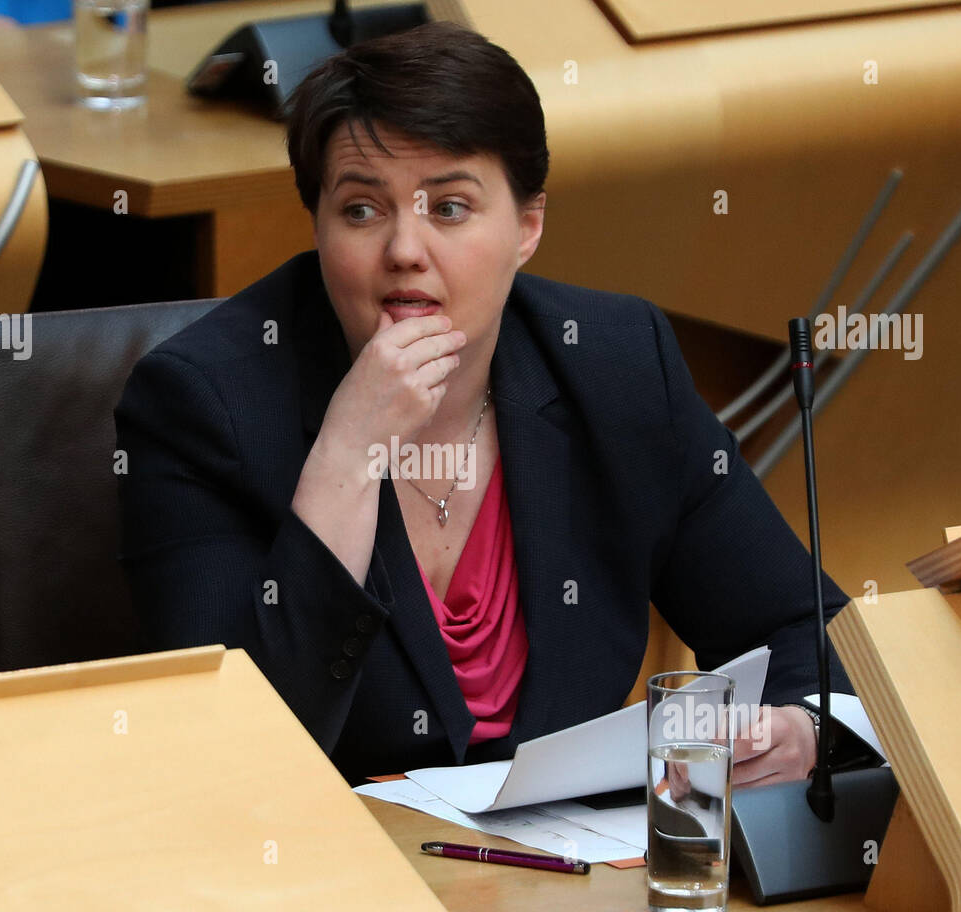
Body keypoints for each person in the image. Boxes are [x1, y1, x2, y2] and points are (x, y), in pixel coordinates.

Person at [115, 21, 867, 787]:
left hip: (577, 883)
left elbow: (807, 629)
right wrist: (347, 453)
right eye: (363, 210)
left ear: (527, 227)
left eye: (448, 208)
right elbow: (229, 758)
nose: (405, 248)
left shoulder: (615, 365)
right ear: (318, 225)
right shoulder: (204, 406)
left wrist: (807, 729)